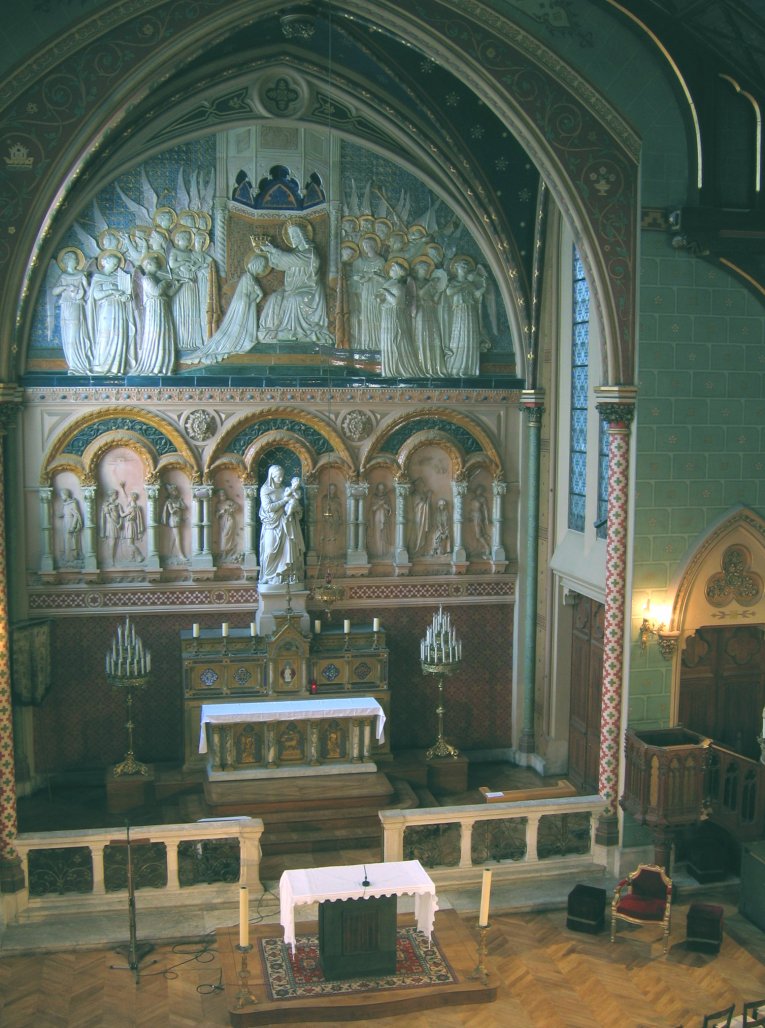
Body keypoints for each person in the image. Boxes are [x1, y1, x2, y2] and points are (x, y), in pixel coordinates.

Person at [256, 223, 332, 345]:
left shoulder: (310, 253)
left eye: (295, 236)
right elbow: (280, 264)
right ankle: (269, 330)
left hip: (309, 290)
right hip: (292, 289)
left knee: (294, 299)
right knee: (275, 298)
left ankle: (292, 331)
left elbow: (292, 259)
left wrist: (274, 250)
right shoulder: (295, 253)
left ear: (302, 236)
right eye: (291, 237)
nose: (293, 239)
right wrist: (269, 253)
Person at [187, 253, 267, 365]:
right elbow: (248, 295)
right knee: (239, 329)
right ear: (256, 265)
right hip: (243, 306)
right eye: (262, 266)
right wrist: (256, 296)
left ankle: (246, 339)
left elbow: (257, 295)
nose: (263, 269)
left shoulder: (251, 278)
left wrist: (256, 297)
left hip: (248, 305)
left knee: (245, 330)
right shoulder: (248, 277)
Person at [87, 250, 136, 375]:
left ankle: (116, 368)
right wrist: (112, 291)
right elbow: (96, 295)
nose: (115, 266)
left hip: (120, 309)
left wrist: (125, 297)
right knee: (105, 336)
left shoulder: (119, 278)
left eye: (117, 264)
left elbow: (127, 294)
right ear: (104, 262)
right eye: (113, 263)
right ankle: (101, 367)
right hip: (106, 310)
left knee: (119, 336)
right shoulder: (98, 277)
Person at [258, 465, 305, 584]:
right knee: (269, 551)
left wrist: (296, 508)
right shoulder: (265, 489)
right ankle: (268, 576)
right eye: (278, 477)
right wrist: (285, 501)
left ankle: (285, 576)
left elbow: (295, 504)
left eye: (282, 476)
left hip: (286, 524)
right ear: (272, 476)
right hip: (271, 524)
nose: (280, 479)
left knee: (287, 551)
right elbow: (268, 508)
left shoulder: (285, 489)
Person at [376, 257, 421, 377]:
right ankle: (389, 368)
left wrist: (385, 292)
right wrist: (380, 298)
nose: (390, 270)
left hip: (395, 315)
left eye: (392, 269)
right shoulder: (390, 283)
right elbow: (384, 300)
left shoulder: (399, 285)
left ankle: (399, 366)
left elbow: (397, 302)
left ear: (398, 272)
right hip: (387, 314)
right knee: (388, 340)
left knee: (395, 339)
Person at [133, 253, 177, 375]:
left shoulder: (155, 278)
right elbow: (156, 292)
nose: (158, 264)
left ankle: (164, 366)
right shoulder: (147, 278)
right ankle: (154, 365)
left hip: (162, 307)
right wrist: (165, 282)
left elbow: (169, 293)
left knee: (164, 334)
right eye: (155, 262)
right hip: (155, 309)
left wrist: (177, 285)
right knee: (156, 334)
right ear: (148, 265)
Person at [51, 248, 91, 375]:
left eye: (76, 259)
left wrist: (84, 284)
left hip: (76, 306)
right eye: (74, 259)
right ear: (67, 261)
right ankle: (73, 364)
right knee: (68, 334)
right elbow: (54, 291)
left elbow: (89, 293)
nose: (76, 261)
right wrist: (65, 287)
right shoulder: (63, 276)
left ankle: (79, 365)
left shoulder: (81, 274)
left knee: (75, 334)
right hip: (66, 305)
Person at [445, 255, 485, 376]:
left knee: (470, 336)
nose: (465, 268)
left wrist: (484, 287)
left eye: (466, 267)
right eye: (463, 266)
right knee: (460, 336)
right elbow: (449, 292)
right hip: (459, 312)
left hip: (470, 311)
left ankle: (469, 366)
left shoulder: (469, 283)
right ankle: (456, 366)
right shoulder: (453, 282)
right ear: (456, 268)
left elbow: (476, 295)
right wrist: (462, 286)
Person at [168, 227, 205, 352]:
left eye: (189, 238)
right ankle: (181, 340)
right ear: (178, 240)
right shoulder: (175, 251)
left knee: (192, 308)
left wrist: (195, 265)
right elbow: (172, 264)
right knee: (181, 309)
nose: (188, 240)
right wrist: (184, 262)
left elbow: (197, 263)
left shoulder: (190, 252)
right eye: (185, 238)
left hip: (192, 281)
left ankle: (192, 340)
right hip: (181, 282)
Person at [411, 255, 447, 376]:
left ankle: (433, 365)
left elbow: (434, 301)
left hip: (430, 311)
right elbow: (420, 294)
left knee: (433, 335)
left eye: (427, 269)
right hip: (420, 311)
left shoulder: (429, 283)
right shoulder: (414, 282)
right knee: (422, 335)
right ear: (418, 269)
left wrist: (441, 291)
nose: (426, 271)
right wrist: (430, 284)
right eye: (423, 269)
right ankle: (422, 364)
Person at [58, 488, 83, 562]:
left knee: (71, 540)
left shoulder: (72, 503)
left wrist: (73, 526)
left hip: (70, 522)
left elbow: (76, 515)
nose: (61, 497)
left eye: (62, 495)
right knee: (66, 540)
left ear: (65, 495)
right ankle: (67, 557)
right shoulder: (65, 504)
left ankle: (72, 557)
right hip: (65, 522)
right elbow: (65, 513)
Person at [162, 482, 187, 559]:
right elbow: (171, 511)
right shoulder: (169, 501)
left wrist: (180, 502)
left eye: (176, 490)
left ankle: (170, 553)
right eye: (174, 491)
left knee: (175, 537)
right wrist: (177, 507)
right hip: (174, 520)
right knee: (178, 537)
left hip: (178, 519)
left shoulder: (178, 500)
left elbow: (184, 507)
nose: (176, 492)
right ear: (171, 492)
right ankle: (180, 554)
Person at [368, 481, 392, 557]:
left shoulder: (386, 497)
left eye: (382, 488)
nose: (381, 490)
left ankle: (385, 551)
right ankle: (377, 551)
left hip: (385, 517)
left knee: (384, 534)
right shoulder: (374, 497)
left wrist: (385, 506)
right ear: (377, 489)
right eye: (380, 488)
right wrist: (379, 504)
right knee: (377, 533)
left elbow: (390, 509)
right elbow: (372, 509)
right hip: (377, 518)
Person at [467, 483, 492, 557]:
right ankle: (477, 548)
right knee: (473, 534)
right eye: (478, 490)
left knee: (478, 534)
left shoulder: (482, 499)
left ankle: (487, 547)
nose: (479, 491)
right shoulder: (473, 498)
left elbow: (486, 509)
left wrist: (487, 519)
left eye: (481, 490)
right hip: (472, 516)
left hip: (478, 516)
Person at [121, 490, 145, 562]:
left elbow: (122, 515)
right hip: (131, 525)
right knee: (131, 542)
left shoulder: (131, 508)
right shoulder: (134, 507)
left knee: (130, 544)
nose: (128, 498)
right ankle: (132, 558)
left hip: (130, 525)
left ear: (131, 498)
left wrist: (119, 510)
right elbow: (125, 498)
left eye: (129, 497)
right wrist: (123, 489)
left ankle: (140, 555)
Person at [100, 488, 123, 563]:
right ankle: (111, 559)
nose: (117, 496)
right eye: (116, 494)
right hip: (111, 525)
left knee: (116, 542)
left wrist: (120, 523)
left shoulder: (118, 504)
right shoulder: (106, 505)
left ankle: (114, 558)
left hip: (117, 525)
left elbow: (121, 515)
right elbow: (108, 517)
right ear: (112, 495)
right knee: (112, 541)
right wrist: (116, 524)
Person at [409, 479, 432, 555]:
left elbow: (425, 503)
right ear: (417, 486)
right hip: (419, 516)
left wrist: (428, 498)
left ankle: (422, 550)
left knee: (422, 533)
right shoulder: (415, 495)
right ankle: (416, 549)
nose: (422, 487)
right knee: (417, 532)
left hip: (423, 517)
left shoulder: (422, 494)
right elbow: (420, 505)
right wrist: (428, 497)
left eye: (423, 485)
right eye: (421, 485)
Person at [215, 488, 239, 561]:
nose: (223, 496)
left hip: (230, 520)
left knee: (225, 535)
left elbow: (237, 506)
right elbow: (216, 515)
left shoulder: (229, 502)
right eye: (221, 495)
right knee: (223, 536)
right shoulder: (218, 505)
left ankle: (225, 552)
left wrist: (231, 509)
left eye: (224, 495)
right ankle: (227, 551)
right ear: (219, 496)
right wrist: (221, 512)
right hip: (222, 521)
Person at [320, 481, 343, 552]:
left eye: (333, 489)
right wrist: (327, 517)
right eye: (331, 488)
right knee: (328, 534)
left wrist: (340, 518)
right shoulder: (325, 498)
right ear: (328, 489)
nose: (332, 490)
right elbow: (324, 508)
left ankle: (335, 550)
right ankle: (327, 550)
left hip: (336, 518)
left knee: (335, 534)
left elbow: (340, 510)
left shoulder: (337, 499)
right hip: (327, 518)